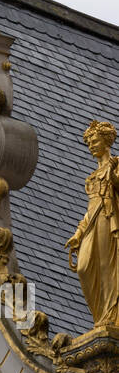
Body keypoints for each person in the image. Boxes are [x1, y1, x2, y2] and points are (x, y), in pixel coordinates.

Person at [66, 120, 119, 330]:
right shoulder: (92, 177)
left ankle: (110, 315)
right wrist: (78, 233)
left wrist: (113, 175)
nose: (91, 146)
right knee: (84, 266)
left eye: (95, 141)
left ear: (106, 141)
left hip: (108, 218)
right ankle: (101, 315)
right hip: (94, 220)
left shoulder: (116, 164)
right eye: (89, 143)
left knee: (106, 265)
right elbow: (90, 209)